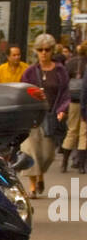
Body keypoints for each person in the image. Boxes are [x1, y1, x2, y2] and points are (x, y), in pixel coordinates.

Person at [20, 33, 69, 197]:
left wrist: (62, 109)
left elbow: (65, 93)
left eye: (47, 50)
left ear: (52, 51)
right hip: (32, 116)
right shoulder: (30, 72)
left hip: (50, 116)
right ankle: (32, 186)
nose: (43, 53)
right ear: (36, 51)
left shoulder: (60, 70)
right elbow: (22, 90)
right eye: (40, 50)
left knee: (47, 154)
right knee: (31, 150)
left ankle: (40, 174)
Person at [62, 41, 87, 173]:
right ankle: (81, 165)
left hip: (73, 100)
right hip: (85, 100)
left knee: (71, 131)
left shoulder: (71, 62)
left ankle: (64, 163)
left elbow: (65, 81)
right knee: (84, 134)